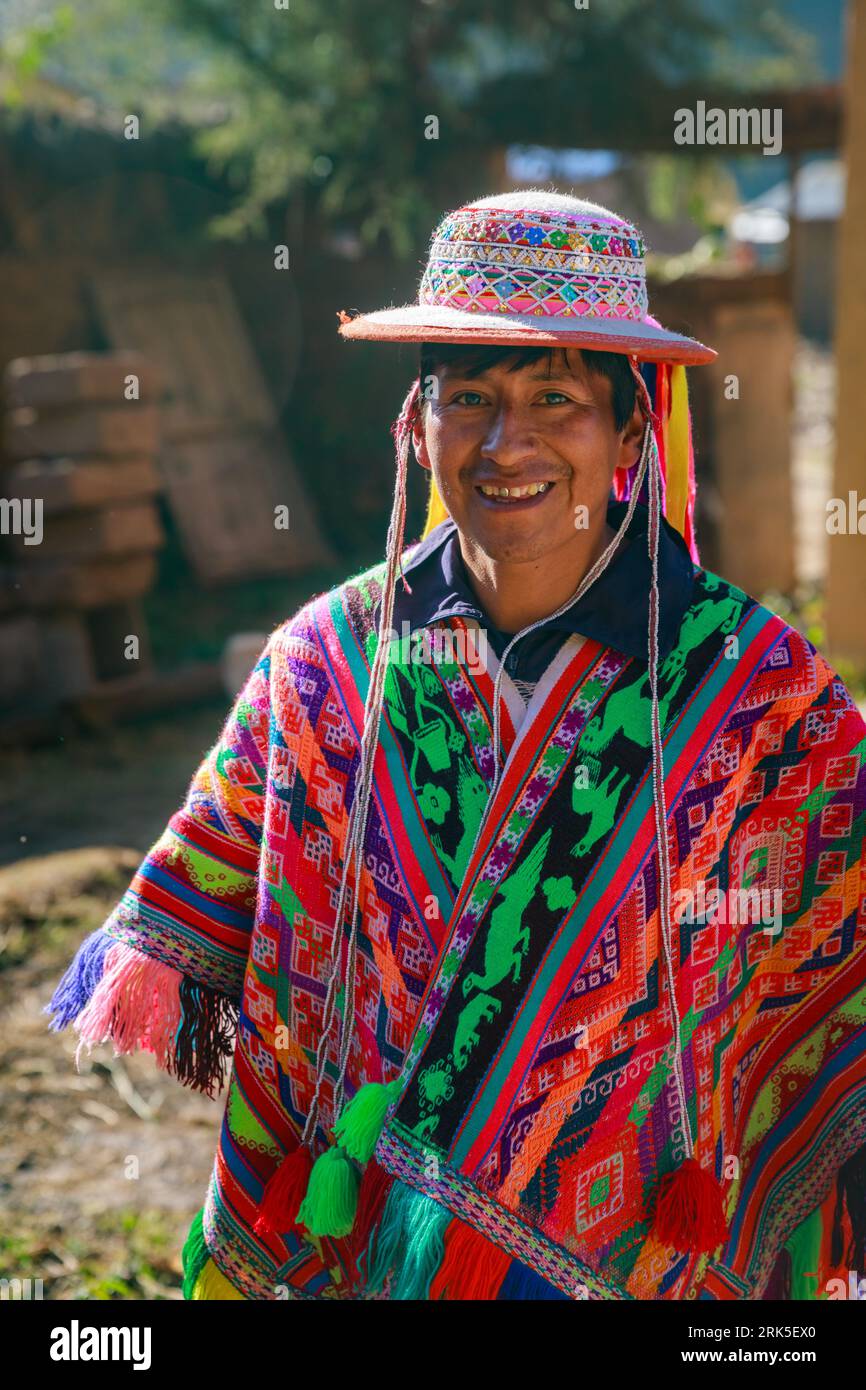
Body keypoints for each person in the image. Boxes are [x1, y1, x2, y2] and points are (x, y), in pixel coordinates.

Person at [47, 190, 866, 1301]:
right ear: (417, 424)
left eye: (555, 399)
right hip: (353, 1224)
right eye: (466, 395)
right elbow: (220, 890)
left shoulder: (755, 693)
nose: (504, 442)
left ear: (630, 427)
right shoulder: (327, 663)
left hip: (627, 1238)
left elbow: (832, 934)